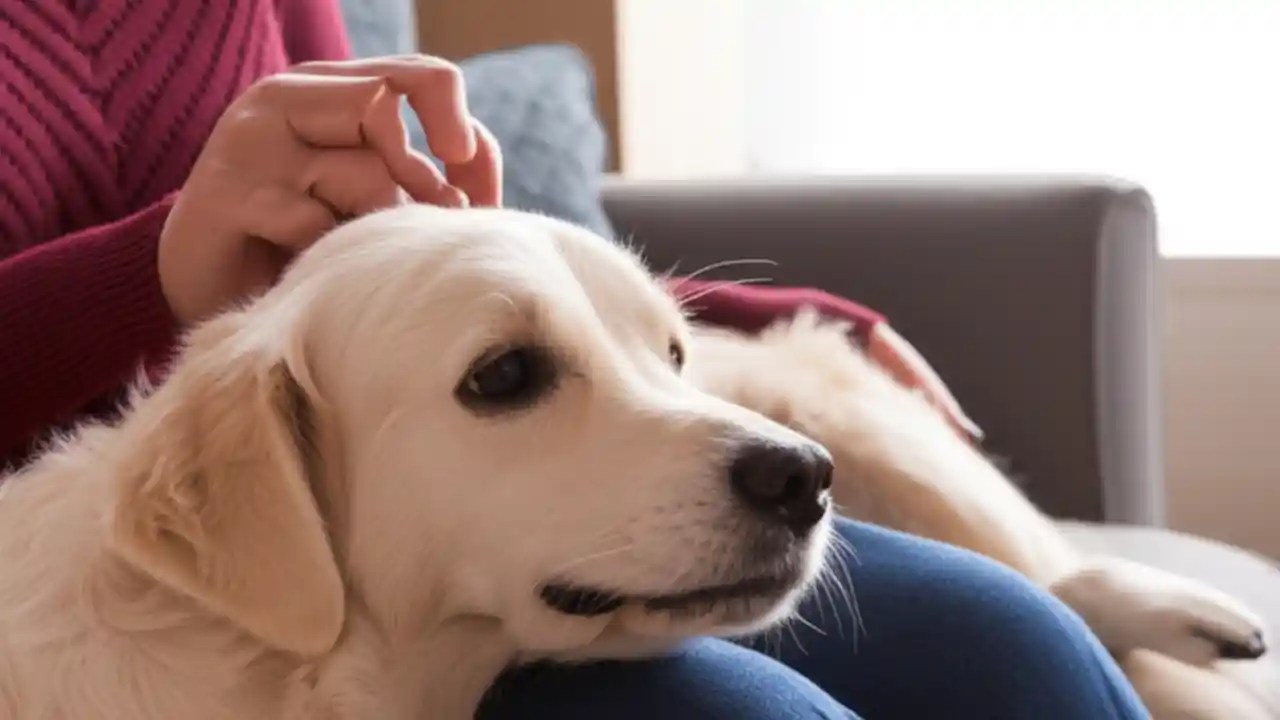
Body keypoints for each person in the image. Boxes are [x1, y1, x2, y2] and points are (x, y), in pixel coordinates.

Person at [0, 2, 1147, 717]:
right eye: (510, 381)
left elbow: (375, 234)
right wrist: (144, 270)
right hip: (228, 587)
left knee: (1004, 645)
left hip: (391, 510)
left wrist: (727, 313)